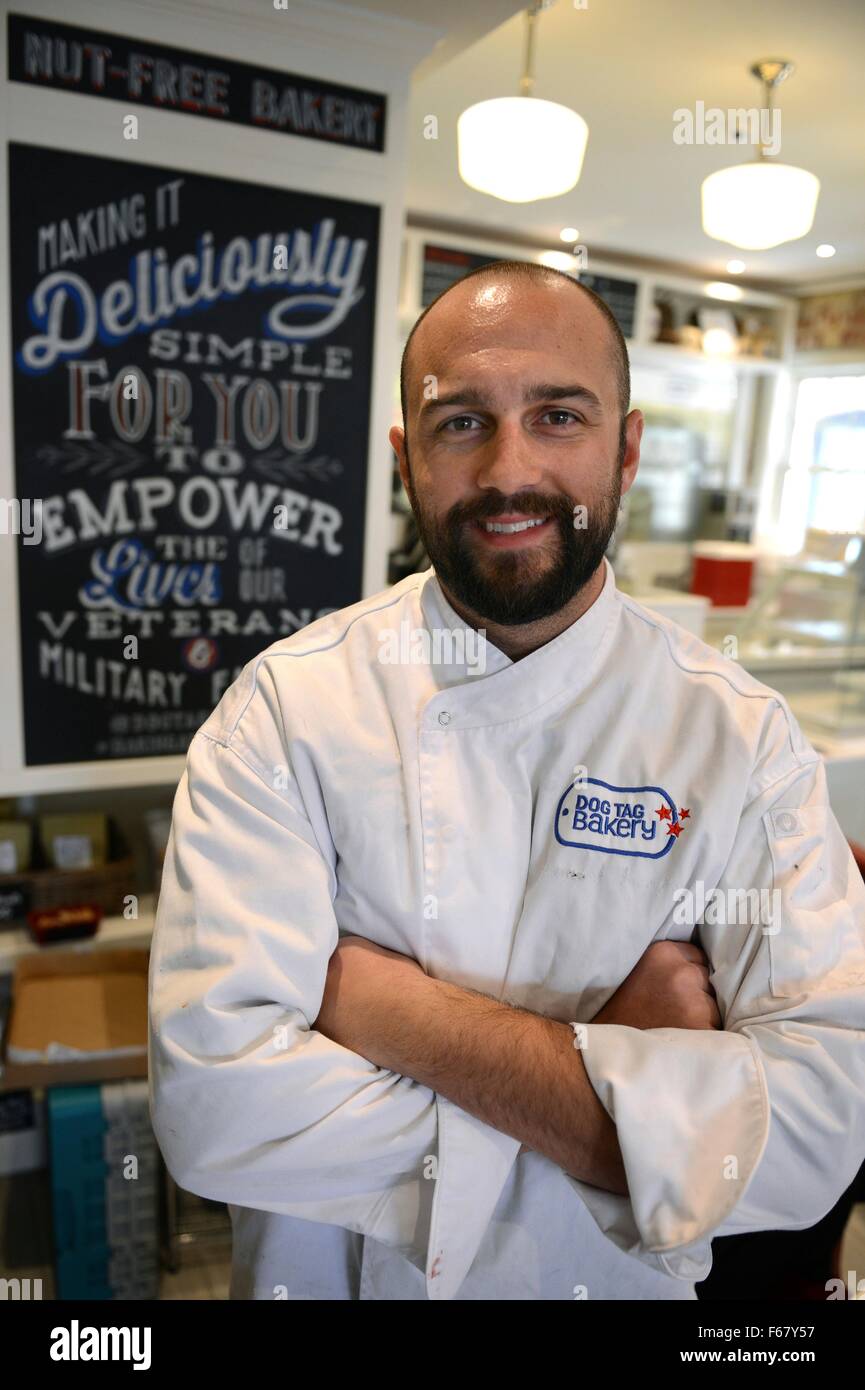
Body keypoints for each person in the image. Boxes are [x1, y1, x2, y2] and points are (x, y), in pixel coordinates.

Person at [148, 262, 865, 1301]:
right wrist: (625, 1096)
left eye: (559, 415)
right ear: (407, 459)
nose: (508, 469)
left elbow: (819, 1129)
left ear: (626, 448)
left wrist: (384, 1010)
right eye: (460, 423)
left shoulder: (737, 736)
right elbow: (217, 1116)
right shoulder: (284, 712)